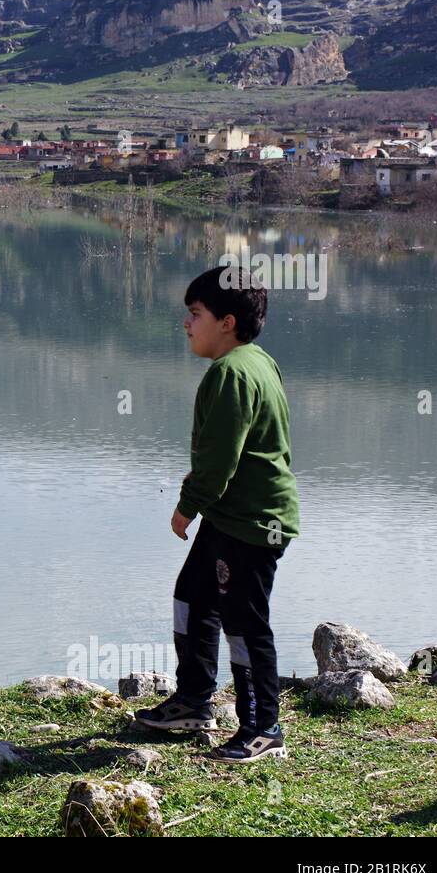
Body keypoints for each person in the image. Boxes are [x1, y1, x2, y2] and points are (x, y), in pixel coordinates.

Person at [135, 266, 300, 763]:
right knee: (194, 597)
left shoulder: (231, 373)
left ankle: (262, 727)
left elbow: (220, 459)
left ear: (226, 322)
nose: (186, 323)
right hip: (234, 516)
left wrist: (187, 508)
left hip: (251, 523)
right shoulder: (256, 362)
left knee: (245, 622)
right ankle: (193, 701)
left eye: (195, 314)